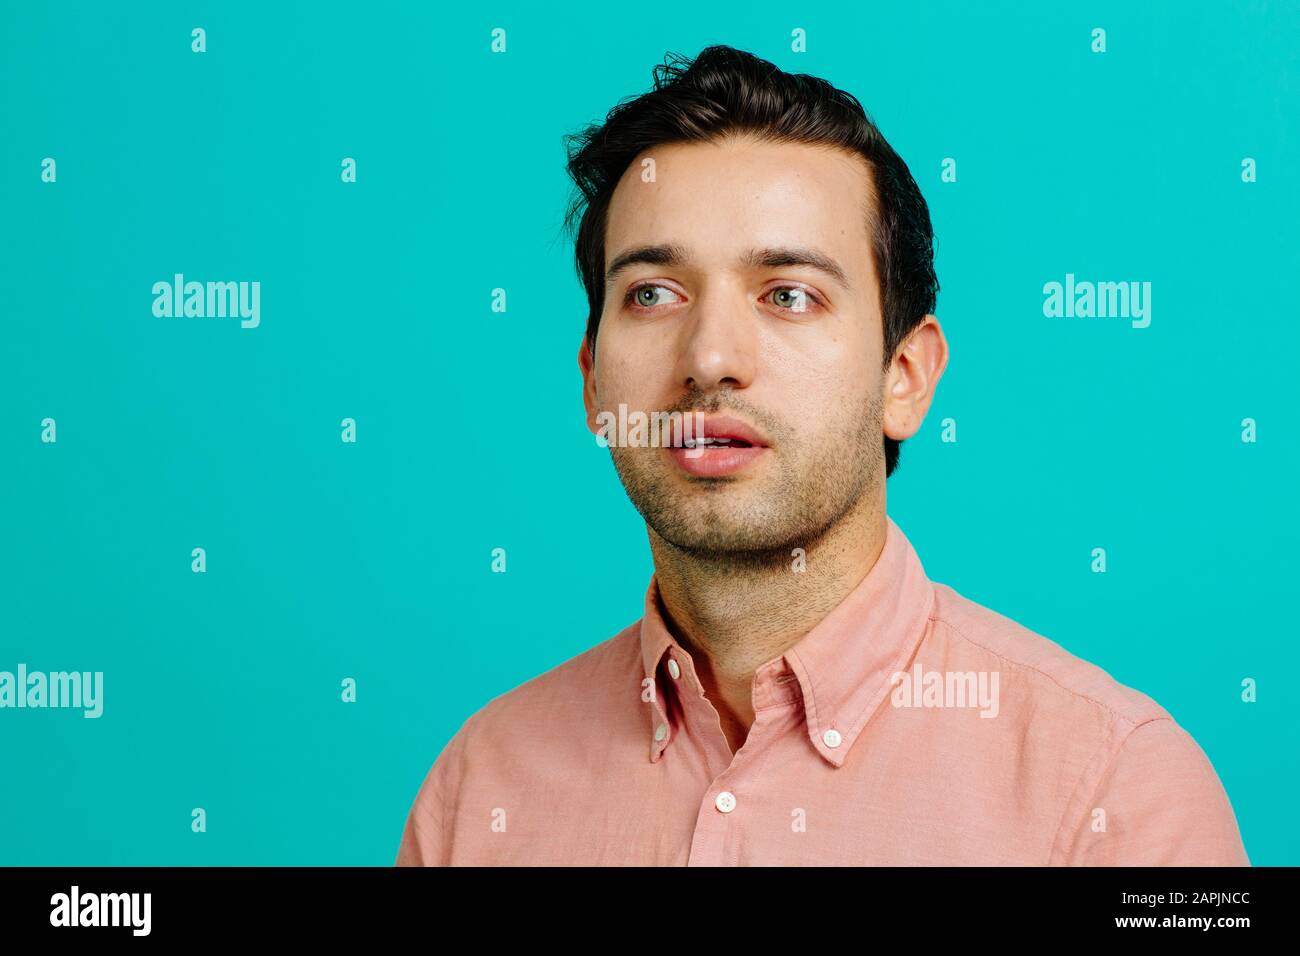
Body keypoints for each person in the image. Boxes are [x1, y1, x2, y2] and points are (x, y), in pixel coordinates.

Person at [396, 45, 1249, 866]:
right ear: (592, 382)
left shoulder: (1121, 788)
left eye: (789, 295)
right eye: (652, 293)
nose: (710, 357)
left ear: (904, 377)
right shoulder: (479, 789)